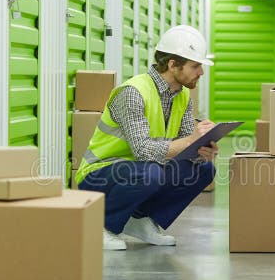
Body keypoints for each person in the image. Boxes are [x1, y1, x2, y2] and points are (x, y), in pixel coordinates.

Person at [76, 25, 218, 250]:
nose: (201, 72)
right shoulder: (133, 92)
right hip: (99, 176)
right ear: (173, 64)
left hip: (141, 172)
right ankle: (101, 227)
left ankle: (141, 220)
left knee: (204, 171)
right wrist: (191, 140)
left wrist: (201, 150)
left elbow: (182, 148)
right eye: (196, 66)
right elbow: (143, 151)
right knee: (151, 171)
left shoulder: (182, 96)